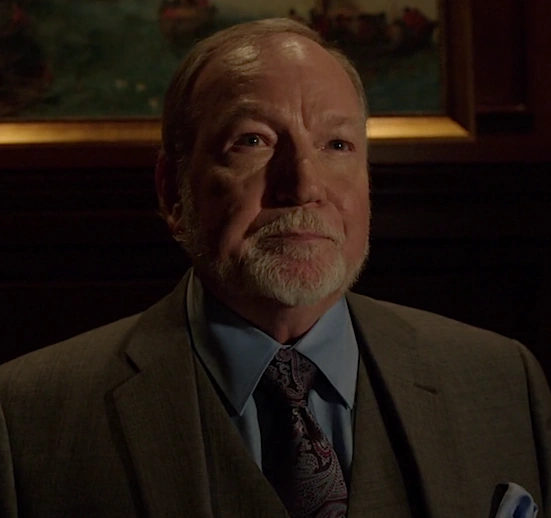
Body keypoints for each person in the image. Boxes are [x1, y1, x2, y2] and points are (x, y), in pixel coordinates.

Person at [0, 18, 549, 518]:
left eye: (337, 144)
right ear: (172, 192)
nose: (304, 185)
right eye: (253, 141)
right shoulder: (29, 414)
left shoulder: (503, 381)